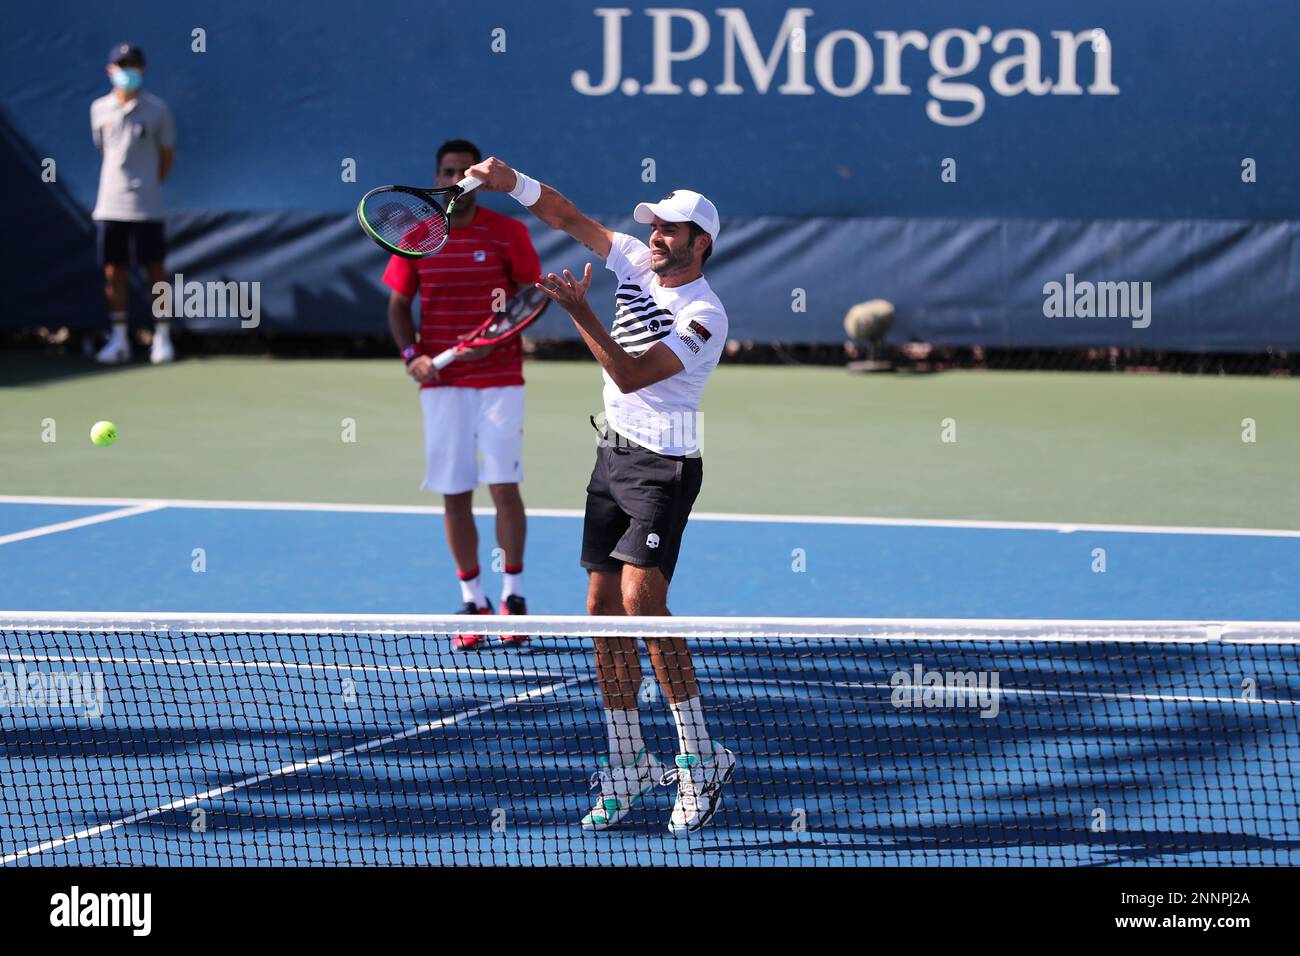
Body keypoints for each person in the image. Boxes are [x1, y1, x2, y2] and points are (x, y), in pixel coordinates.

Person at [467, 155, 735, 834]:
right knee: (600, 609)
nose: (657, 236)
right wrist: (512, 182)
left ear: (700, 243)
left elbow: (637, 373)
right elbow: (566, 216)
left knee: (645, 606)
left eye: (673, 230)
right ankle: (628, 760)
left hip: (664, 467)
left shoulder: (704, 313)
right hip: (612, 455)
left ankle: (700, 756)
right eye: (656, 225)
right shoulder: (634, 263)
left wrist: (582, 312)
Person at [383, 140, 541, 650]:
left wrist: (492, 341)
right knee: (454, 494)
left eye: (465, 173)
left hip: (499, 380)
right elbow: (398, 308)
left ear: (478, 179)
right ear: (438, 178)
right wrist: (413, 356)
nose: (457, 181)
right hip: (441, 384)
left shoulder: (508, 232)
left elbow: (532, 296)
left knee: (503, 488)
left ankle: (512, 597)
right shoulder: (418, 236)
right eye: (448, 173)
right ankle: (472, 599)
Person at [90, 43, 176, 365]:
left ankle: (163, 338)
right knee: (115, 272)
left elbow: (166, 158)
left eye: (134, 65)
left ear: (143, 70)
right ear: (110, 70)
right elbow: (104, 151)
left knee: (156, 271)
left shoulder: (158, 111)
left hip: (147, 206)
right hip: (110, 205)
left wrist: (148, 185)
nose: (128, 71)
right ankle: (120, 339)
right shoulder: (98, 109)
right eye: (122, 65)